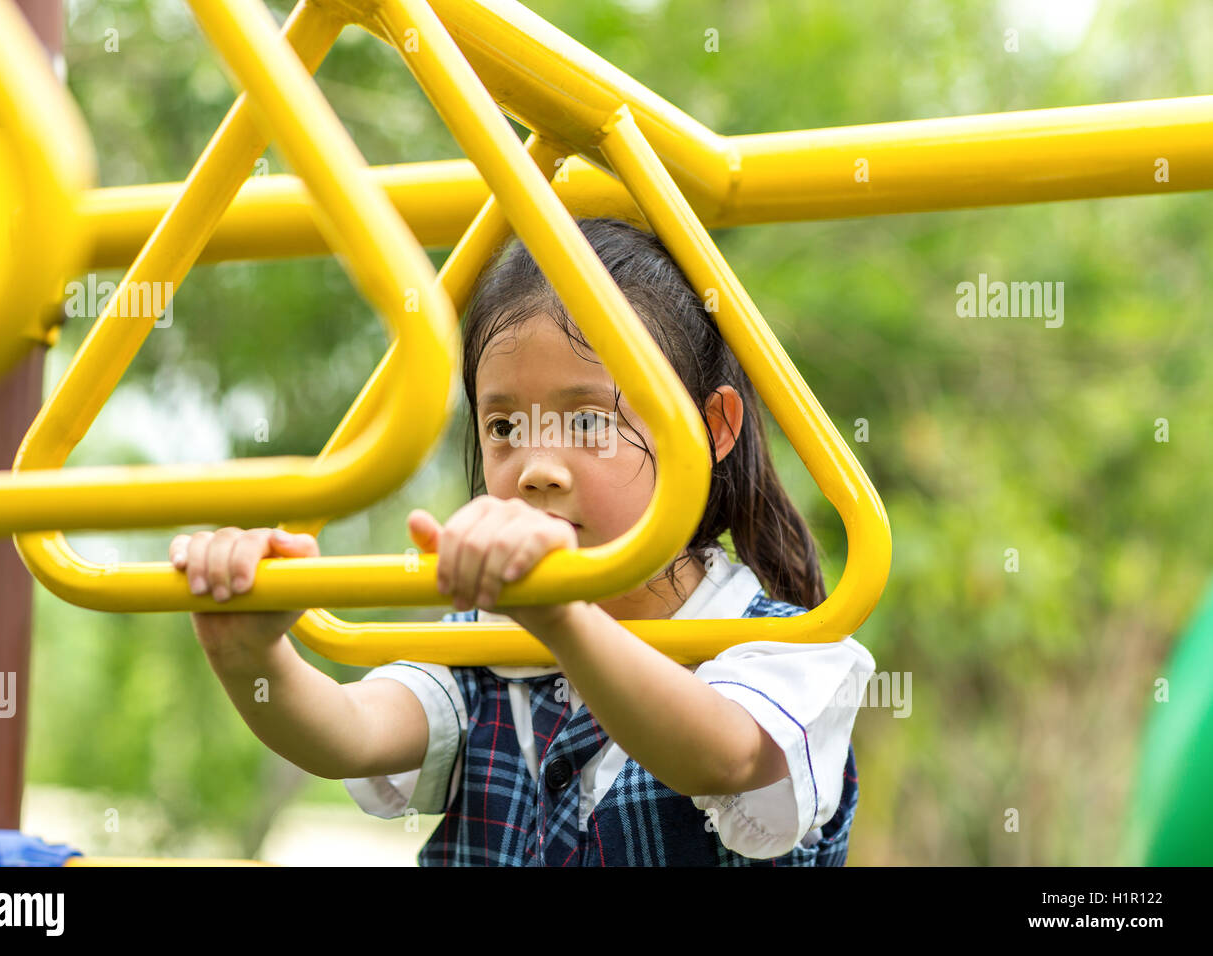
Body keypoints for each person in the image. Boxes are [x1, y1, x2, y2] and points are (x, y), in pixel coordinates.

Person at [171, 217, 875, 866]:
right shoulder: (484, 646)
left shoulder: (789, 654)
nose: (536, 466)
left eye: (589, 420)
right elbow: (348, 731)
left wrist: (560, 616)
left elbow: (724, 757)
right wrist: (249, 654)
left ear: (713, 428)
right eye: (504, 427)